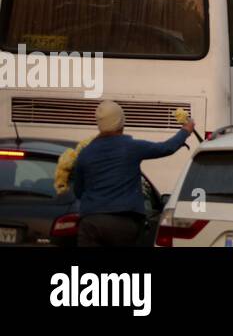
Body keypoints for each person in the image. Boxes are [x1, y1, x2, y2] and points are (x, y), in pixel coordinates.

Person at [72, 99, 194, 246]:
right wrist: (186, 131)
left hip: (90, 222)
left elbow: (78, 191)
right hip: (124, 223)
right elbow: (166, 148)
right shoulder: (130, 147)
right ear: (121, 122)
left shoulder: (86, 153)